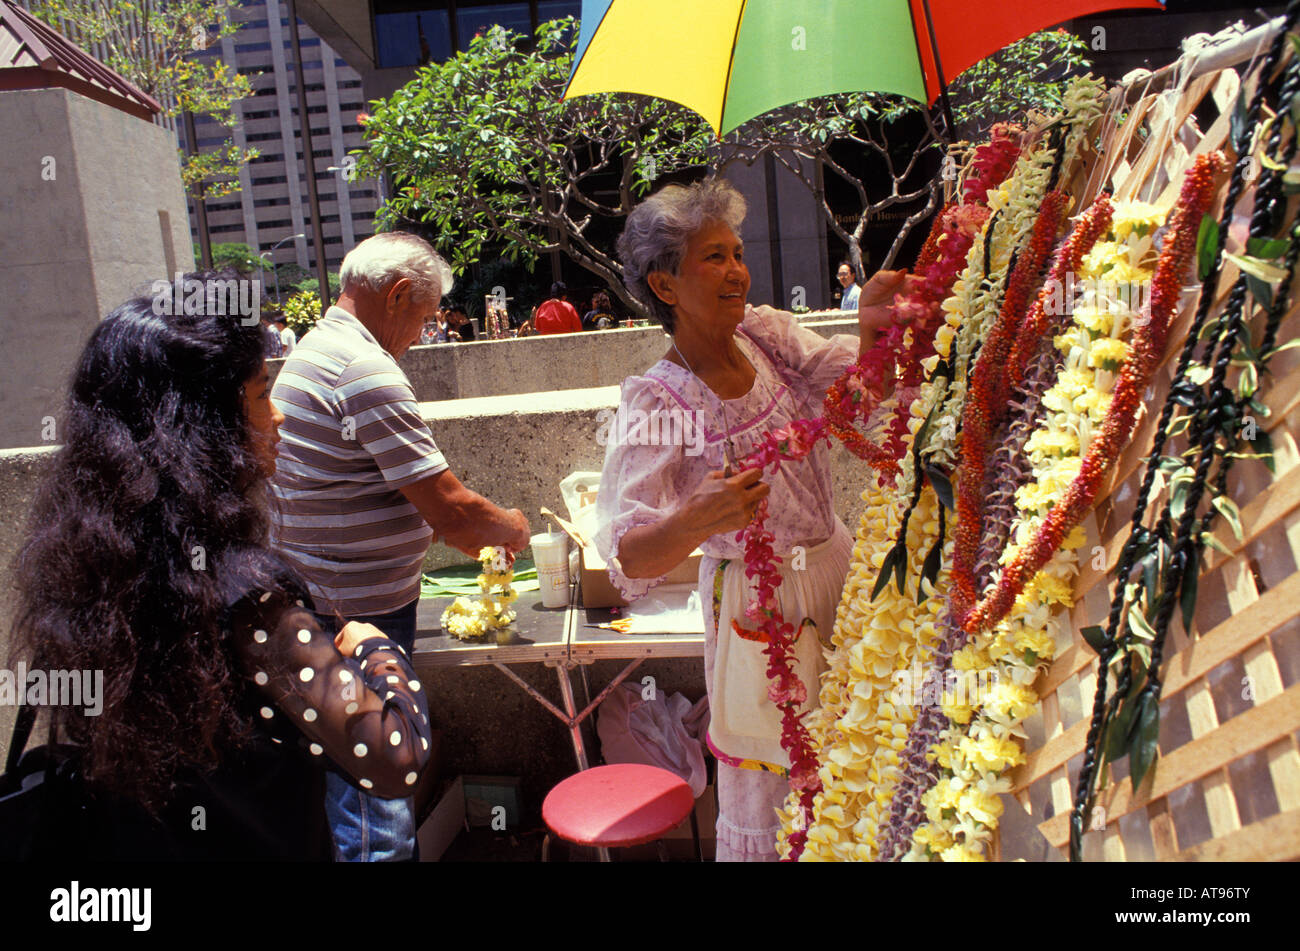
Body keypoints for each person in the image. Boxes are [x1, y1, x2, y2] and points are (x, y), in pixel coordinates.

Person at [8, 273, 432, 859]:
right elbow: (393, 763)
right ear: (202, 426)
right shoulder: (245, 593)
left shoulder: (91, 569)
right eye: (261, 394)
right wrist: (378, 653)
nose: (278, 415)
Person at [594, 180, 910, 861]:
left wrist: (871, 331)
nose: (737, 270)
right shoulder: (658, 396)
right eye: (714, 256)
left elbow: (855, 399)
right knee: (782, 796)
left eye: (738, 252)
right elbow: (628, 553)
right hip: (756, 611)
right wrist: (694, 519)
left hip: (836, 572)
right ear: (666, 285)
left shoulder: (765, 335)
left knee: (864, 764)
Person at [269, 232, 530, 861]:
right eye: (424, 315)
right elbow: (454, 509)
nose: (422, 333)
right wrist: (513, 528)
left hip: (329, 603)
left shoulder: (319, 348)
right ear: (396, 294)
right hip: (354, 617)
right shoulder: (361, 368)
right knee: (374, 797)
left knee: (352, 791)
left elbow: (395, 493)